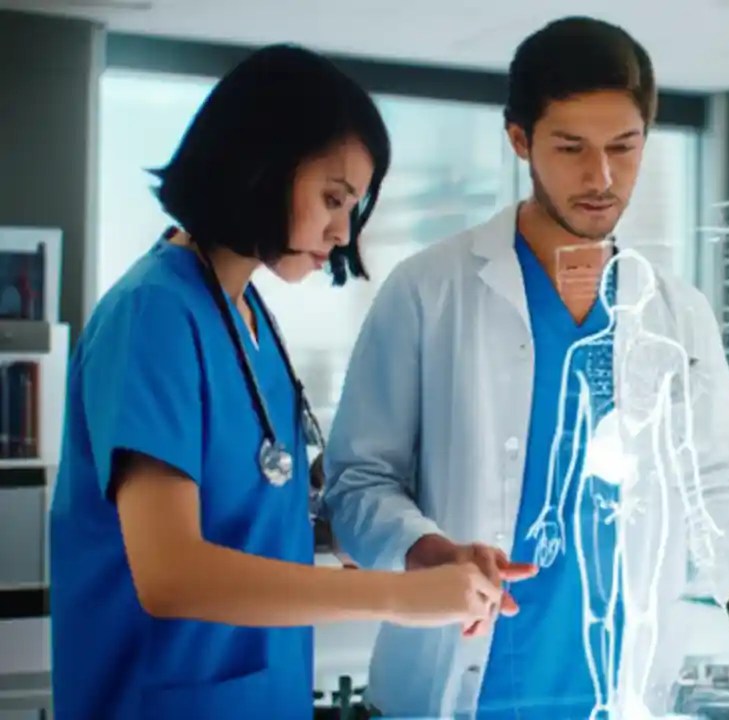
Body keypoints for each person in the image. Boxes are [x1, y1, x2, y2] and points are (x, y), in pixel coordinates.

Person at [322, 16, 729, 719]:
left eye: (624, 148)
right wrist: (425, 551)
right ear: (520, 141)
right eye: (571, 147)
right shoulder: (429, 290)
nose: (601, 177)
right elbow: (358, 481)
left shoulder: (676, 311)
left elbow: (714, 481)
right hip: (457, 686)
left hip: (621, 691)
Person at [48, 44, 527, 720]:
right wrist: (399, 601)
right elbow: (171, 573)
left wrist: (422, 555)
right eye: (333, 198)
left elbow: (264, 516)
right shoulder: (154, 313)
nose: (341, 231)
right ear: (260, 165)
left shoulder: (245, 317)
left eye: (352, 208)